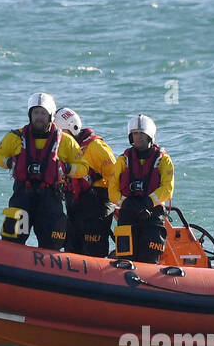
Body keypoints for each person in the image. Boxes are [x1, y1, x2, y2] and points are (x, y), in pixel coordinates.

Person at [0, 92, 88, 250]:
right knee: (11, 238)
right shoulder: (15, 137)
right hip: (23, 194)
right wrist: (9, 162)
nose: (39, 117)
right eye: (35, 113)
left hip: (50, 196)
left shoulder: (65, 141)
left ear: (50, 115)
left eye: (43, 113)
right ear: (30, 115)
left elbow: (83, 167)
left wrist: (66, 168)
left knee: (51, 243)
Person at [109, 114, 174, 263]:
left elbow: (167, 188)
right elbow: (112, 190)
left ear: (150, 136)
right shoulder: (123, 160)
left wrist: (148, 202)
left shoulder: (163, 160)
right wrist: (126, 203)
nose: (138, 137)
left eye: (142, 133)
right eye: (135, 133)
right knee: (125, 257)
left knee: (150, 256)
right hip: (128, 212)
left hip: (152, 214)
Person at [53, 107, 117, 258]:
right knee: (71, 246)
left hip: (97, 203)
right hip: (75, 203)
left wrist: (121, 201)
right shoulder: (62, 149)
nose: (59, 137)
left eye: (61, 133)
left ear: (72, 129)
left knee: (93, 248)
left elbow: (116, 178)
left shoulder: (95, 147)